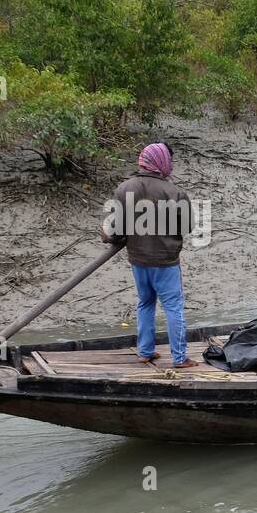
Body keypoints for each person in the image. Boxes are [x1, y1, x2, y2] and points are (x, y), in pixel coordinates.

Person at [101, 142, 197, 368]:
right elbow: (187, 226)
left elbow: (116, 229)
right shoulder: (174, 193)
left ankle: (145, 351)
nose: (171, 165)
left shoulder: (124, 189)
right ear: (162, 162)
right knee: (173, 306)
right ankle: (179, 357)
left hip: (138, 260)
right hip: (165, 261)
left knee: (145, 302)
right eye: (169, 161)